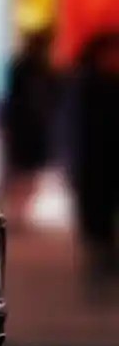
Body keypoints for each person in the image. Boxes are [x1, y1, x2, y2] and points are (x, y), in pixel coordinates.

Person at [68, 32, 119, 280]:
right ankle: (101, 257)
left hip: (108, 161)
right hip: (94, 163)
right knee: (97, 212)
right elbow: (75, 127)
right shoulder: (87, 85)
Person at [0, 27, 58, 226]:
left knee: (24, 172)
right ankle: (16, 213)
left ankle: (18, 213)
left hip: (30, 128)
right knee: (22, 172)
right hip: (25, 128)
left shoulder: (37, 69)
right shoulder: (29, 68)